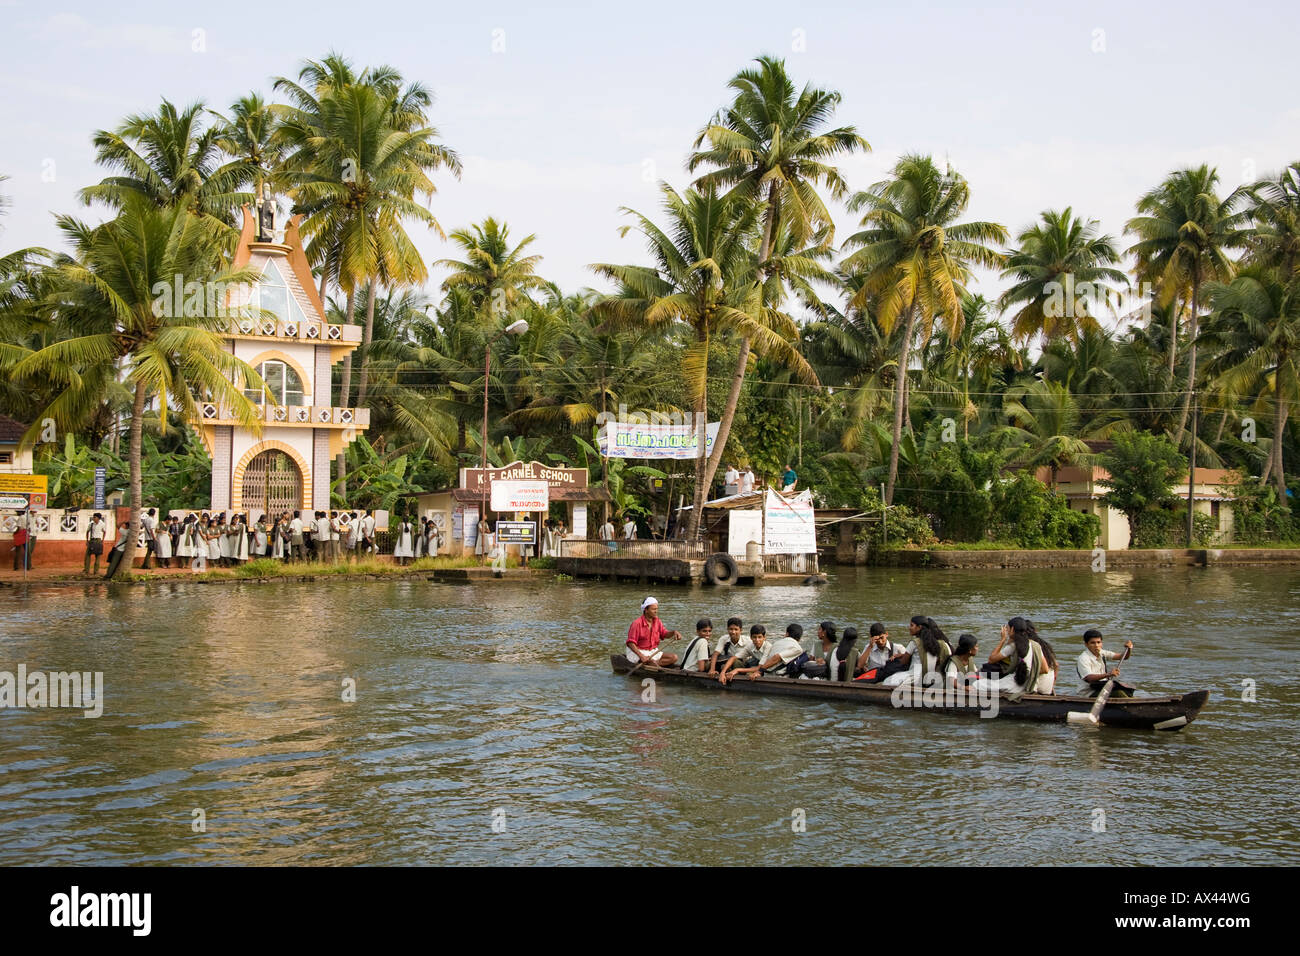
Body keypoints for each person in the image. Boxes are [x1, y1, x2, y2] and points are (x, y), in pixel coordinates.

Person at [988, 616, 1051, 701]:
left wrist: (1003, 640)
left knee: (982, 683)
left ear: (1012, 629)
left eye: (1007, 629)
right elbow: (1047, 668)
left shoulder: (1014, 646)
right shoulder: (1037, 645)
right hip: (1034, 686)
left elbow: (991, 659)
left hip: (1024, 685)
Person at [882, 616, 953, 687]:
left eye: (911, 625)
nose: (909, 628)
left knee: (887, 681)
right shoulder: (938, 643)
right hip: (932, 677)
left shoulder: (914, 642)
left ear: (919, 627)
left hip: (916, 677)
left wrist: (899, 658)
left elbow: (904, 662)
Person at [737, 623, 811, 681]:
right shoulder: (798, 648)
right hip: (777, 677)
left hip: (766, 674)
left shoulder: (777, 642)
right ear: (800, 638)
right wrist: (759, 671)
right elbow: (777, 657)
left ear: (787, 634)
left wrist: (760, 671)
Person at [1076, 629, 1135, 697]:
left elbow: (1123, 657)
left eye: (1098, 642)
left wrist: (1129, 648)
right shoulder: (1083, 658)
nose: (1096, 645)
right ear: (1086, 644)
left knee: (1128, 692)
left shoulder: (1102, 653)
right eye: (1093, 643)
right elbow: (1089, 678)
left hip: (1102, 687)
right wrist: (1109, 674)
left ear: (1101, 643)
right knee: (1119, 693)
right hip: (1089, 692)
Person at [626, 596, 681, 666]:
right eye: (653, 609)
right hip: (638, 651)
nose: (656, 611)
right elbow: (631, 643)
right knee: (653, 663)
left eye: (656, 609)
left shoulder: (657, 621)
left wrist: (674, 632)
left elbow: (664, 634)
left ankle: (654, 664)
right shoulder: (636, 623)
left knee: (674, 657)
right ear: (646, 610)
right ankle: (652, 664)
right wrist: (641, 656)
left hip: (652, 651)